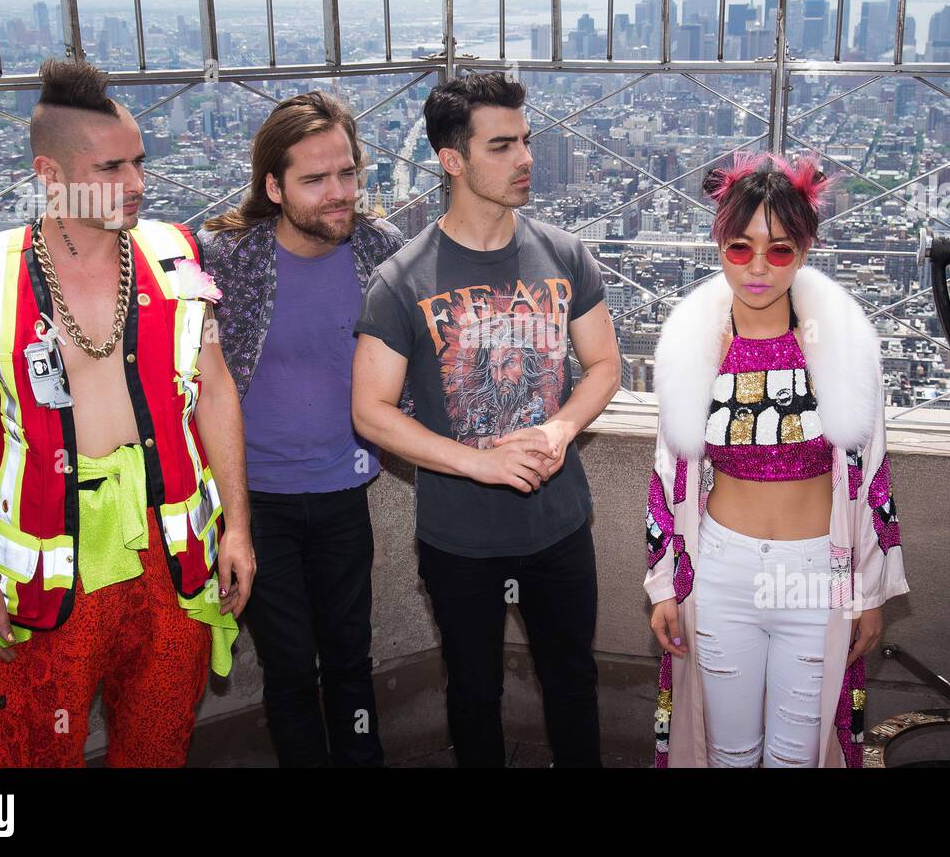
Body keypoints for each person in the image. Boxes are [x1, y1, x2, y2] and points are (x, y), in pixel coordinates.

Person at [0, 58, 254, 767]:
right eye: (111, 168)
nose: (137, 184)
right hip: (51, 574)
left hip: (172, 557)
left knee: (158, 746)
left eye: (139, 162)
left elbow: (216, 388)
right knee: (36, 752)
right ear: (50, 174)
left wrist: (239, 527)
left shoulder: (176, 253)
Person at [352, 72, 621, 767]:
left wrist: (560, 429)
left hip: (559, 524)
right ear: (453, 160)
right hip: (460, 538)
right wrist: (479, 462)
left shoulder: (565, 253)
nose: (525, 158)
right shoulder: (401, 281)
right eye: (501, 146)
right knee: (473, 694)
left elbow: (603, 366)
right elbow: (370, 411)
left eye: (526, 141)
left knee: (573, 683)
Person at [644, 151, 909, 768]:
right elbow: (667, 474)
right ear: (719, 248)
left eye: (780, 249)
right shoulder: (692, 343)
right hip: (720, 570)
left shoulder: (842, 344)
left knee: (798, 756)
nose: (758, 267)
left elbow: (874, 474)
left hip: (817, 573)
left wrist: (868, 590)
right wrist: (663, 583)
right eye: (740, 248)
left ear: (806, 250)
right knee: (727, 752)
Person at [200, 90, 409, 767]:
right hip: (256, 499)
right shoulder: (227, 258)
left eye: (347, 173)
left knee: (351, 657)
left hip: (345, 490)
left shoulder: (381, 251)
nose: (338, 193)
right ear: (273, 185)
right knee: (291, 669)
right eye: (314, 179)